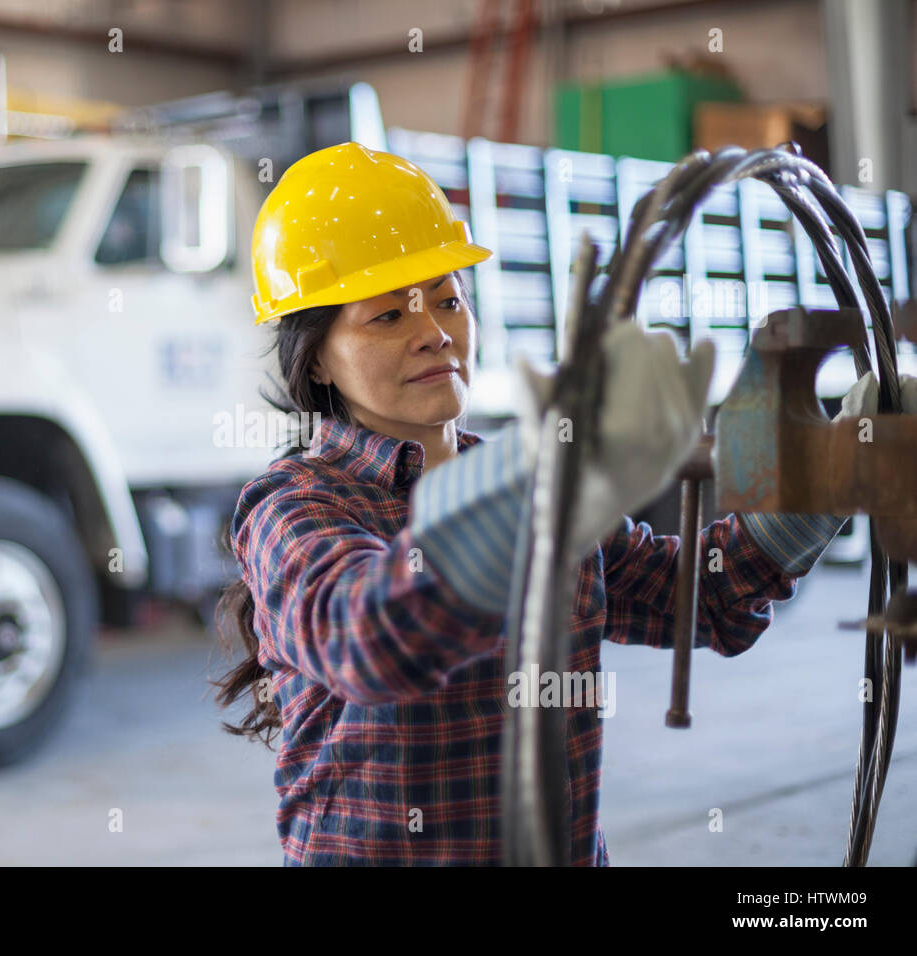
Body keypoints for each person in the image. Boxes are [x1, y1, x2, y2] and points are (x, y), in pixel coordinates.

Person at [213, 141, 896, 866]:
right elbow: (370, 643)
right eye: (388, 317)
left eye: (448, 299)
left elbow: (703, 596)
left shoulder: (534, 479)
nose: (436, 332)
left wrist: (826, 485)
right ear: (315, 354)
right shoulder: (296, 507)